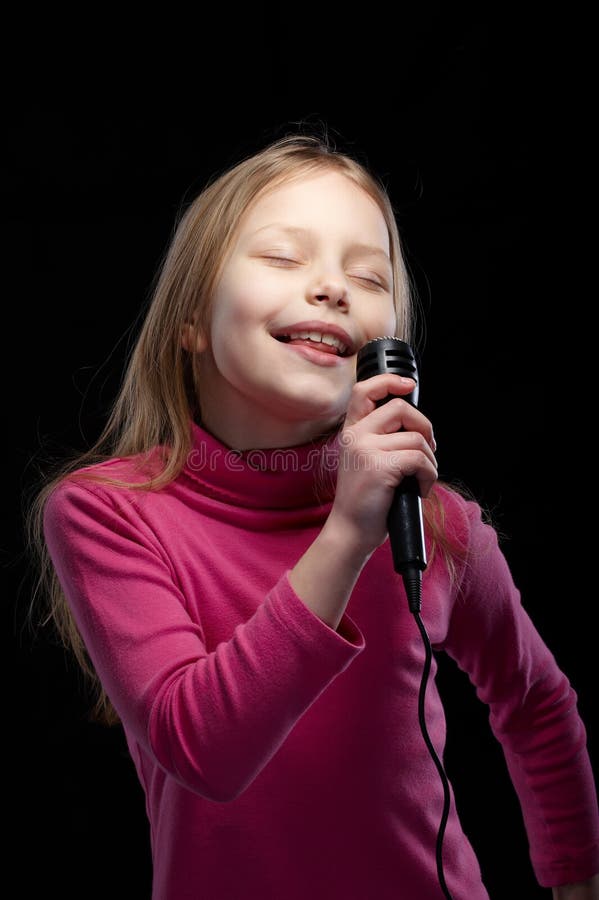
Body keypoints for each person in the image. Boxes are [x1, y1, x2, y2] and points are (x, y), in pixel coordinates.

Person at [27, 130, 599, 899]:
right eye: (283, 258)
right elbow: (202, 752)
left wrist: (574, 878)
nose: (332, 288)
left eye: (367, 275)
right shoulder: (108, 514)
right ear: (191, 320)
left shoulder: (436, 526)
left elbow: (536, 703)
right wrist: (345, 533)